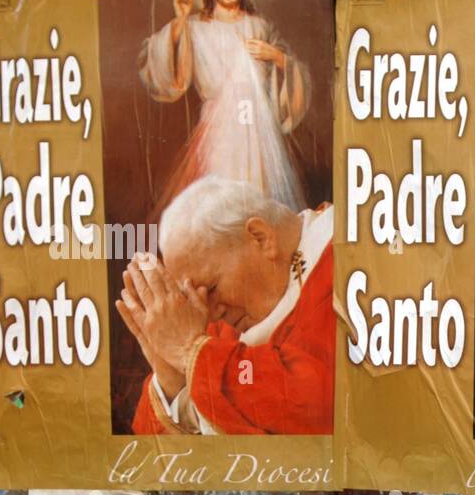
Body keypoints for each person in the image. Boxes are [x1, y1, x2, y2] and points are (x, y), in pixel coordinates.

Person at [116, 176, 334, 436]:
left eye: (211, 288)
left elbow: (324, 405)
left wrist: (190, 351)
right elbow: (148, 461)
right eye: (193, 296)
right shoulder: (219, 325)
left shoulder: (350, 263)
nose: (210, 312)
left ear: (261, 238)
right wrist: (171, 382)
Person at [139, 0, 310, 212]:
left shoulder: (259, 25)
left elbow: (296, 71)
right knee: (222, 197)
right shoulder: (197, 26)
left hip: (258, 125)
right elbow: (158, 57)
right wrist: (180, 21)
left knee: (261, 194)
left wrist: (275, 56)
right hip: (218, 127)